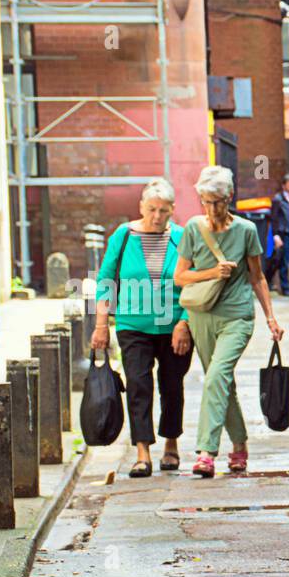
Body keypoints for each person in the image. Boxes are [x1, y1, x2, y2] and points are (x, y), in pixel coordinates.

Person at [174, 165, 285, 478]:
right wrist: (212, 272)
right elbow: (180, 277)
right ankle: (239, 445)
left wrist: (270, 318)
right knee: (221, 383)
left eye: (217, 202)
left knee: (215, 378)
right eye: (206, 202)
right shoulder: (194, 229)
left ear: (229, 198)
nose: (211, 209)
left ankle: (206, 452)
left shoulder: (247, 230)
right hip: (201, 315)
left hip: (237, 315)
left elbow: (258, 276)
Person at [91, 178, 192, 478]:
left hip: (174, 325)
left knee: (172, 385)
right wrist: (101, 325)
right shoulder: (123, 236)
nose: (157, 216)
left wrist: (185, 320)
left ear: (172, 210)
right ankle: (142, 451)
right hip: (133, 325)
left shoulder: (183, 237)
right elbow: (106, 281)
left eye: (163, 210)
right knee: (138, 384)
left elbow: (195, 281)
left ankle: (171, 443)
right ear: (141, 207)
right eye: (151, 209)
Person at [269, 174, 289, 297]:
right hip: (284, 233)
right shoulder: (278, 199)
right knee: (284, 262)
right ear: (284, 186)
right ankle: (285, 288)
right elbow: (274, 219)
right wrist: (276, 236)